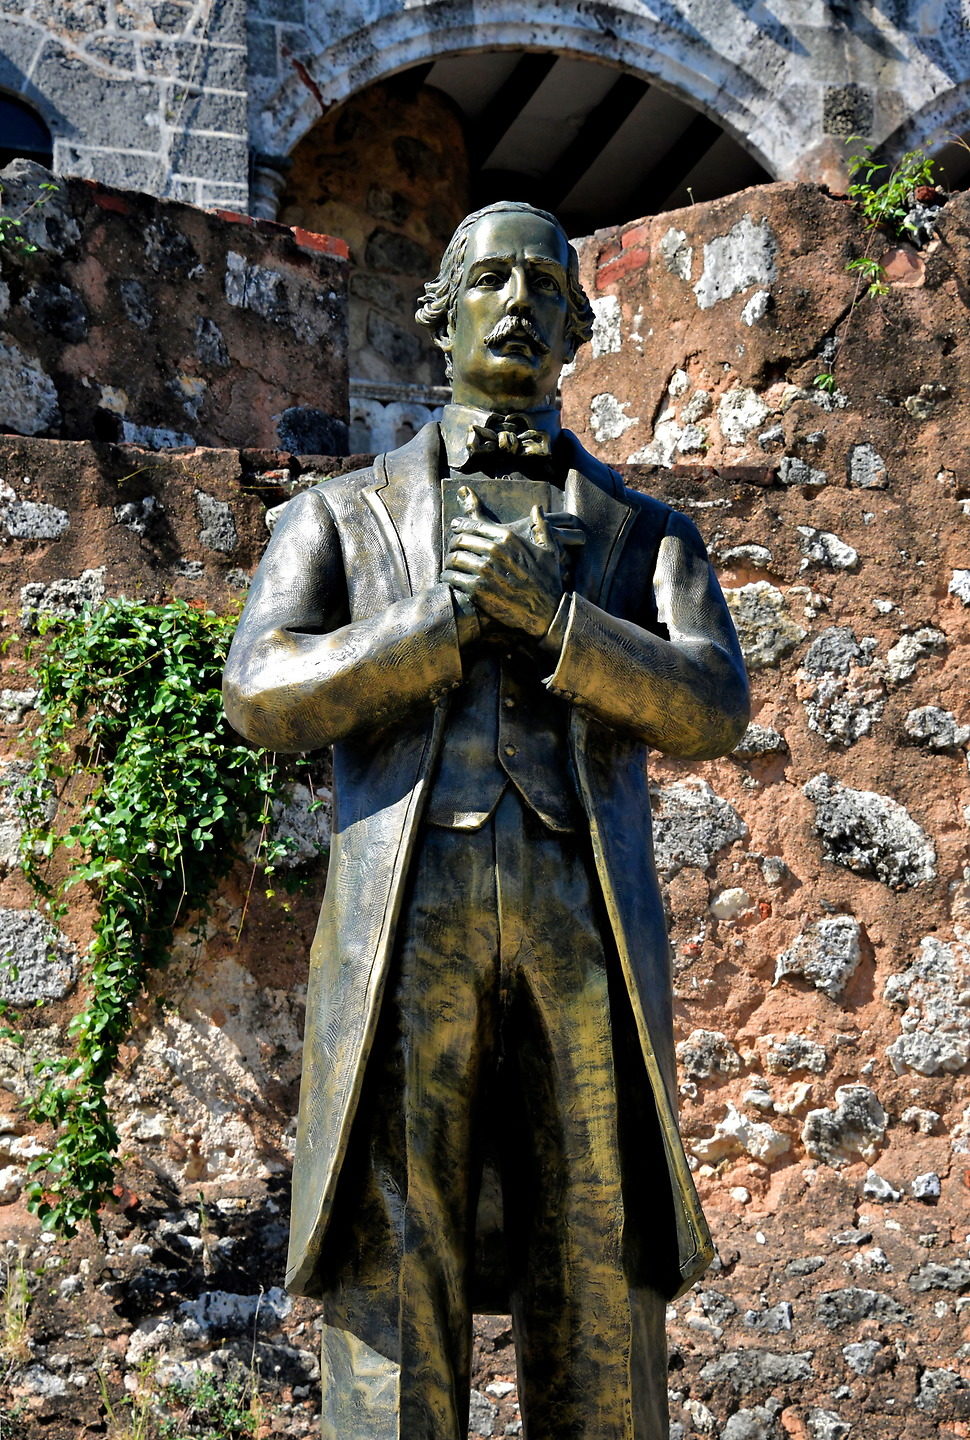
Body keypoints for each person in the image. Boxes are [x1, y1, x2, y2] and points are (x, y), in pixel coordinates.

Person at [222, 200, 750, 1440]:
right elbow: (259, 691)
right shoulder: (340, 519)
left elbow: (714, 704)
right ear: (439, 314)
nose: (516, 303)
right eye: (489, 281)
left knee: (602, 1260)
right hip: (407, 935)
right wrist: (445, 626)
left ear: (575, 323)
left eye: (542, 287)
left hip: (586, 938)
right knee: (392, 1274)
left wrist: (562, 627)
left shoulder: (644, 535)